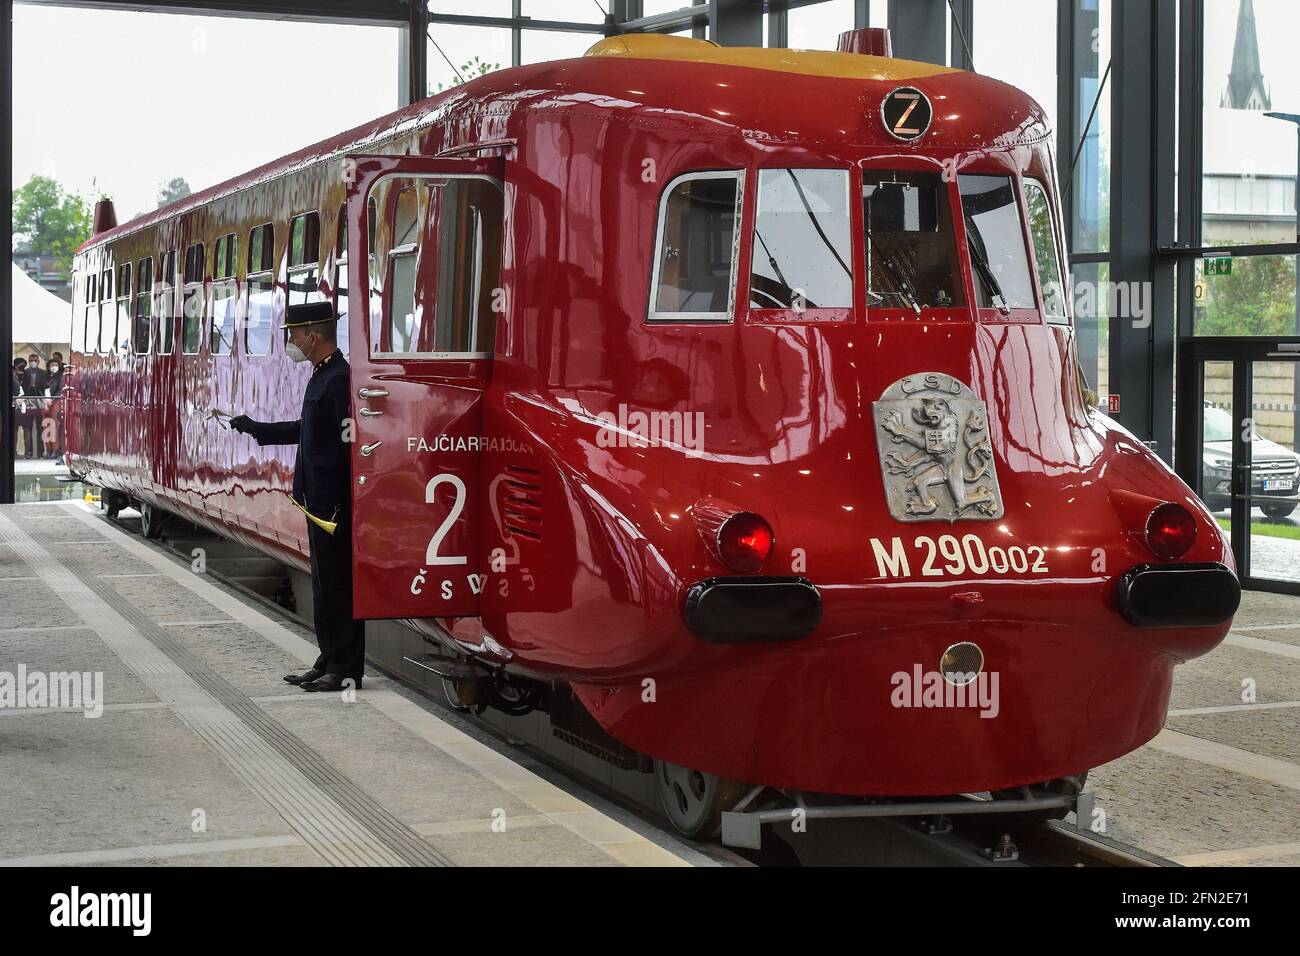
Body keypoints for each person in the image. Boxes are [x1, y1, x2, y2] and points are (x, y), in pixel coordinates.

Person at [230, 302, 363, 692]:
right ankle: (328, 658)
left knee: (340, 587)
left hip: (333, 505)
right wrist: (259, 430)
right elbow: (310, 428)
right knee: (323, 585)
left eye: (292, 334)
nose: (290, 342)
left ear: (311, 335)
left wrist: (340, 499)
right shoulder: (321, 374)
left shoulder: (339, 378)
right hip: (316, 501)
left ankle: (346, 670)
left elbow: (347, 444)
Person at [45, 357, 64, 458]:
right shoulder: (44, 376)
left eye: (56, 365)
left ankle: (56, 450)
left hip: (56, 402)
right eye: (52, 365)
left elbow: (60, 390)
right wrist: (45, 399)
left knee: (55, 426)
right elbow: (40, 388)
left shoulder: (60, 377)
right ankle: (49, 449)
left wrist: (52, 400)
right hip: (44, 403)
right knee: (46, 427)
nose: (53, 367)